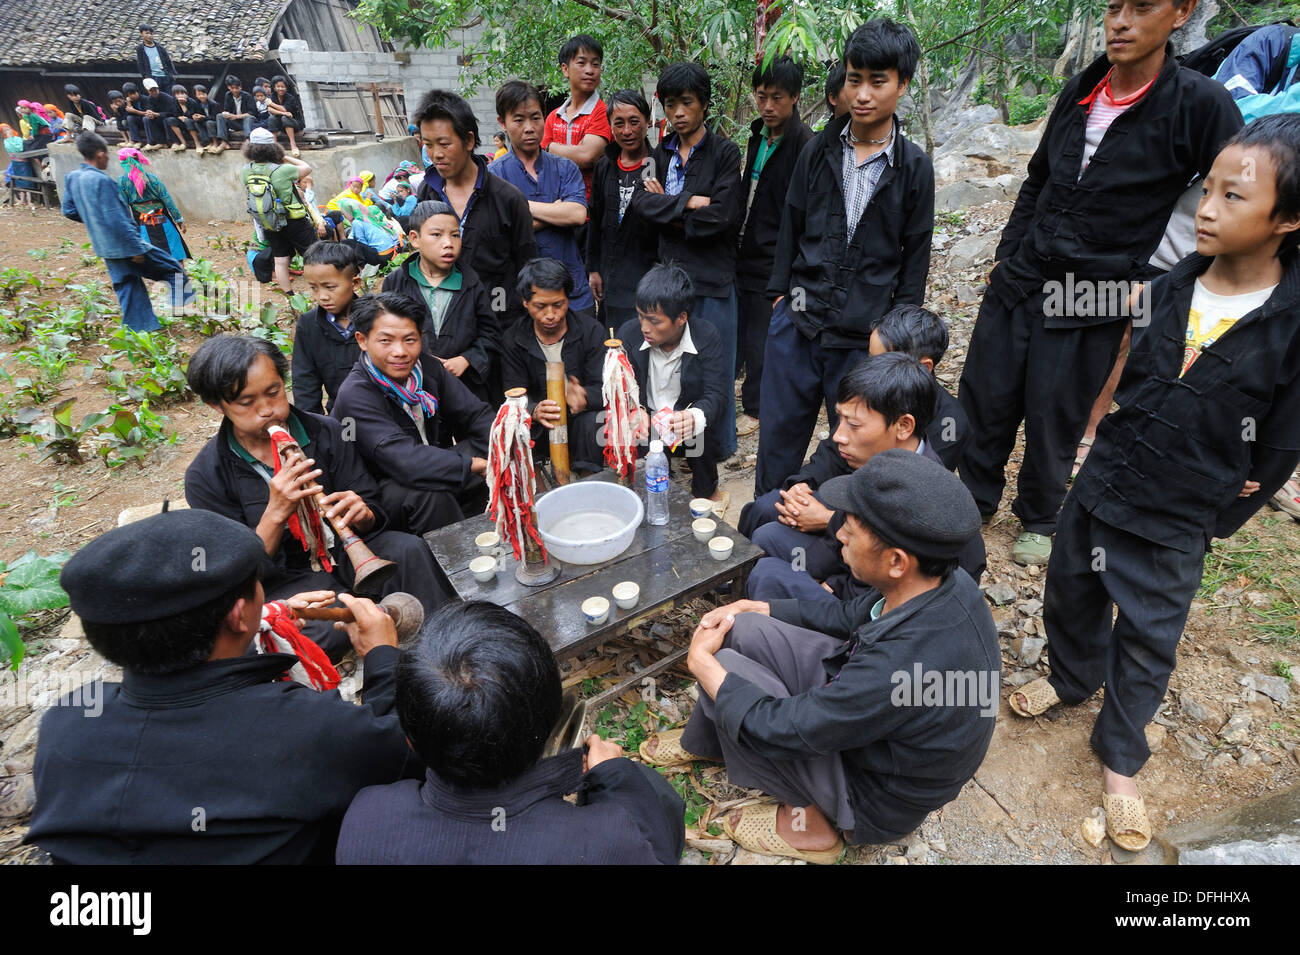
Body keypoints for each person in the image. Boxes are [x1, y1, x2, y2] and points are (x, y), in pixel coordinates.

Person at [1015, 114, 1300, 852]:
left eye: (1233, 197)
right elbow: (1131, 373)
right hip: (1106, 480)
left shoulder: (1288, 324)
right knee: (1069, 588)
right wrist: (1091, 445)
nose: (1206, 208)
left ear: (1289, 219)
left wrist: (1228, 506)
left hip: (1181, 512)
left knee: (1147, 636)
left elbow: (1280, 441)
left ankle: (1119, 759)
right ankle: (1072, 676)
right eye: (1206, 189)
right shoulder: (1171, 286)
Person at [956, 0, 1243, 566]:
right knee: (987, 391)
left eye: (1142, 7)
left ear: (1181, 13)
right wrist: (1007, 253)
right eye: (1113, 7)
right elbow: (1037, 179)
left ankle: (1039, 513)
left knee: (1055, 406)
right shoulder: (1083, 89)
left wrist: (1165, 283)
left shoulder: (1198, 104)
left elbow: (1234, 196)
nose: (1121, 21)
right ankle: (973, 496)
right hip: (1024, 274)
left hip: (1099, 289)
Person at [641, 450, 998, 863]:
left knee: (726, 670)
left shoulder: (901, 666)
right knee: (742, 630)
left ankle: (819, 828)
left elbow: (788, 729)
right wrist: (759, 607)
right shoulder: (942, 583)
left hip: (876, 795)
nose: (839, 533)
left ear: (897, 561)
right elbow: (848, 614)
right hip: (878, 731)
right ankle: (708, 742)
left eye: (852, 527)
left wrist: (702, 666)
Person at [23, 508, 422, 864]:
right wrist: (382, 655)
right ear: (237, 614)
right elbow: (406, 747)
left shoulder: (68, 721)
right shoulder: (302, 728)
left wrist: (263, 619)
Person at [336, 601, 685, 864]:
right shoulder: (603, 841)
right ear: (555, 722)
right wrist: (617, 777)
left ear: (410, 740)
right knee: (649, 789)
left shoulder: (366, 820)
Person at [185, 334, 449, 660]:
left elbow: (372, 504)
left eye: (274, 391)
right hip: (287, 579)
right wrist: (275, 513)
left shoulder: (327, 431)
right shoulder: (206, 475)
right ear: (217, 405)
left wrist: (363, 512)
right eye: (246, 402)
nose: (268, 409)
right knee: (321, 633)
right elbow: (235, 573)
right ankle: (386, 653)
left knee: (410, 551)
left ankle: (450, 650)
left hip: (347, 551)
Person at [756, 18, 934, 497]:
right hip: (799, 322)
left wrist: (899, 331)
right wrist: (779, 298)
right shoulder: (817, 151)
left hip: (865, 338)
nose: (863, 94)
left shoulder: (913, 167)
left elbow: (915, 255)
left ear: (902, 85)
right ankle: (764, 531)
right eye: (855, 79)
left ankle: (841, 537)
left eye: (878, 81)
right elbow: (791, 226)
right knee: (779, 435)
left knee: (855, 446)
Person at [742, 352, 987, 606]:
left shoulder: (920, 500)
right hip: (848, 562)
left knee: (768, 575)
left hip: (868, 608)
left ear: (903, 426)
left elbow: (885, 595)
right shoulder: (883, 458)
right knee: (766, 535)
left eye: (854, 425)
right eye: (841, 420)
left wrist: (834, 588)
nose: (839, 436)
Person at [630, 62, 743, 456]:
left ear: (704, 105)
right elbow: (642, 204)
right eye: (671, 104)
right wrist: (691, 203)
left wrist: (670, 210)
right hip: (669, 280)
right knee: (672, 373)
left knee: (715, 372)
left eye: (687, 103)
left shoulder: (725, 153)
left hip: (712, 280)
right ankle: (673, 448)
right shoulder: (657, 152)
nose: (678, 112)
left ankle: (716, 451)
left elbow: (725, 216)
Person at [332, 292, 494, 536]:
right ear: (362, 340)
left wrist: (504, 443)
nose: (400, 352)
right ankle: (456, 561)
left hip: (426, 465)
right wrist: (473, 464)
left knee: (495, 446)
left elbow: (475, 414)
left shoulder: (427, 368)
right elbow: (405, 459)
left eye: (409, 340)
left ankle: (494, 531)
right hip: (380, 492)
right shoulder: (355, 394)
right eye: (385, 341)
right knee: (431, 492)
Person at [736, 55, 814, 437]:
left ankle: (761, 408)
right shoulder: (757, 137)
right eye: (762, 96)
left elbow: (803, 214)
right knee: (750, 332)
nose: (767, 106)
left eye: (777, 98)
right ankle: (753, 400)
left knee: (767, 336)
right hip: (747, 249)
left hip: (778, 257)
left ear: (795, 97)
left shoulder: (805, 145)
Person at [413, 89, 538, 326]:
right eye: (428, 145)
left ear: (469, 140)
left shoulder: (507, 199)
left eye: (444, 144)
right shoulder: (427, 194)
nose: (435, 155)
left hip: (499, 322)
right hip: (444, 324)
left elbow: (527, 267)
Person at [616, 263, 729, 505]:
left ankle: (707, 492)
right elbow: (621, 387)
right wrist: (635, 410)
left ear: (681, 318)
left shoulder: (706, 336)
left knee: (702, 429)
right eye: (640, 316)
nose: (645, 327)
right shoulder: (628, 334)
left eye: (655, 321)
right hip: (646, 424)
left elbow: (716, 394)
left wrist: (694, 416)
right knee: (645, 485)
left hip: (682, 422)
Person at [62, 132, 189, 332]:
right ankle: (182, 306)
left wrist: (95, 222)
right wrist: (135, 248)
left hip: (104, 247)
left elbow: (69, 211)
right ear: (100, 153)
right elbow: (117, 219)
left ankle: (141, 329)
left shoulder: (72, 178)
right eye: (106, 154)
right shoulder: (103, 181)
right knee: (173, 268)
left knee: (127, 285)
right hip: (126, 244)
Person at [488, 80, 594, 317]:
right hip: (523, 297)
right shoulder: (494, 175)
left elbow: (577, 214)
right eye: (518, 119)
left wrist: (520, 207)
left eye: (535, 118)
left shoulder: (565, 168)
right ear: (502, 122)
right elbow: (502, 234)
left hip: (572, 290)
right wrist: (556, 212)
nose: (529, 127)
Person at [382, 199, 502, 403]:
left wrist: (466, 359)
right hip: (414, 387)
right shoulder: (396, 283)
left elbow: (490, 333)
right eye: (436, 235)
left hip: (466, 387)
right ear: (415, 238)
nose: (448, 243)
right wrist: (420, 360)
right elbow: (385, 335)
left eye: (455, 235)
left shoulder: (472, 283)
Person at [501, 257, 606, 476]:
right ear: (525, 302)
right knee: (512, 428)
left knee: (593, 422)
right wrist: (533, 410)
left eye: (558, 305)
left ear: (568, 299)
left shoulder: (592, 331)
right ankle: (536, 490)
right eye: (540, 306)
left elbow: (605, 388)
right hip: (540, 425)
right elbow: (513, 393)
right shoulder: (513, 338)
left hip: (580, 421)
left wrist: (585, 396)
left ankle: (590, 483)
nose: (550, 314)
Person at [587, 89, 658, 330]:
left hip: (648, 280)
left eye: (634, 121)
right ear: (610, 126)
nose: (627, 131)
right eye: (619, 123)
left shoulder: (659, 163)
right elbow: (595, 219)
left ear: (647, 122)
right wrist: (594, 269)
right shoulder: (605, 166)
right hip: (611, 278)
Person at [868, 304, 968, 470]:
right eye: (870, 358)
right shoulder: (865, 388)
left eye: (884, 363)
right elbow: (830, 456)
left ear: (924, 367)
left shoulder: (950, 422)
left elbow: (927, 477)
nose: (871, 369)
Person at [242, 127, 323, 292]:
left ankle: (290, 295)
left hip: (269, 221)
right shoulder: (282, 170)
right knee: (314, 255)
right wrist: (285, 157)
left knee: (280, 260)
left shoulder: (246, 170)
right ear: (273, 148)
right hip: (294, 219)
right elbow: (306, 168)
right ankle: (321, 287)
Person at [294, 241, 364, 415]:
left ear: (355, 283)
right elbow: (305, 382)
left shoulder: (377, 319)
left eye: (330, 287)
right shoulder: (309, 325)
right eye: (313, 288)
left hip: (384, 414)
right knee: (348, 439)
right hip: (343, 414)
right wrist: (315, 427)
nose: (322, 296)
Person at [541, 34, 612, 204]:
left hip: (592, 209)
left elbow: (587, 157)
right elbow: (541, 160)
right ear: (565, 69)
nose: (590, 70)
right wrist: (574, 151)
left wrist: (550, 147)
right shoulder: (554, 117)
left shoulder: (604, 112)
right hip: (557, 206)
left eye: (595, 64)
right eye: (581, 63)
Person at [116, 147, 191, 292]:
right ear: (140, 161)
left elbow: (123, 206)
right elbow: (167, 200)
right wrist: (179, 219)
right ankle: (182, 284)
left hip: (143, 224)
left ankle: (163, 286)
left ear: (123, 164)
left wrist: (126, 229)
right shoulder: (152, 179)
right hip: (163, 220)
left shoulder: (122, 182)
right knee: (175, 254)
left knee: (152, 256)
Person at [267, 76, 305, 156]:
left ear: (286, 87)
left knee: (285, 118)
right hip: (281, 123)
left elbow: (284, 109)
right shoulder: (273, 96)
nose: (280, 89)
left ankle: (293, 144)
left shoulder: (290, 98)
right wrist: (283, 113)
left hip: (295, 123)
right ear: (274, 87)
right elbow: (270, 110)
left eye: (282, 87)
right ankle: (274, 145)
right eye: (278, 86)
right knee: (272, 118)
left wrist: (272, 104)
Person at [134, 24, 176, 92]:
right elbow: (140, 63)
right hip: (152, 76)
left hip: (165, 75)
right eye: (147, 33)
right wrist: (145, 76)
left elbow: (168, 60)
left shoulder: (159, 47)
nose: (149, 35)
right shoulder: (140, 48)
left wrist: (172, 73)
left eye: (151, 33)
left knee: (170, 96)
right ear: (141, 34)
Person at [169, 85, 211, 152]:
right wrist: (179, 117)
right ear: (174, 95)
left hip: (193, 123)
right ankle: (183, 142)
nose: (180, 95)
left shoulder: (191, 102)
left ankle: (197, 144)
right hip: (182, 123)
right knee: (170, 120)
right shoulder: (174, 102)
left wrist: (183, 105)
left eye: (182, 93)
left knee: (188, 121)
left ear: (186, 94)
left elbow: (192, 115)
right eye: (178, 94)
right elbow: (174, 113)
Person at [139, 78, 176, 152]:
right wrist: (150, 114)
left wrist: (157, 114)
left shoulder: (167, 98)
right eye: (151, 90)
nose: (154, 92)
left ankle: (170, 142)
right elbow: (150, 109)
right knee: (146, 119)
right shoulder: (149, 99)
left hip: (167, 118)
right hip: (157, 119)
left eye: (155, 90)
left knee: (167, 120)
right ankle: (153, 142)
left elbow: (172, 113)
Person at [220, 75, 257, 147]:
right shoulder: (228, 95)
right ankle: (224, 141)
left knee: (249, 117)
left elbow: (252, 113)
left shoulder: (247, 96)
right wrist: (225, 113)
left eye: (237, 88)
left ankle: (248, 140)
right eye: (232, 88)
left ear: (241, 87)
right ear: (229, 87)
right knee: (220, 116)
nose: (235, 90)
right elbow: (226, 110)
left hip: (247, 123)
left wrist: (236, 116)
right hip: (235, 123)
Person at [120, 83, 149, 149]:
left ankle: (150, 141)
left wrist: (135, 111)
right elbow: (127, 115)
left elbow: (148, 113)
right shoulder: (128, 101)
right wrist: (129, 104)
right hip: (138, 122)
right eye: (130, 94)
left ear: (137, 92)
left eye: (134, 93)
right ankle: (136, 141)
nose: (133, 96)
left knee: (146, 118)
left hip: (147, 121)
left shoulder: (145, 99)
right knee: (130, 118)